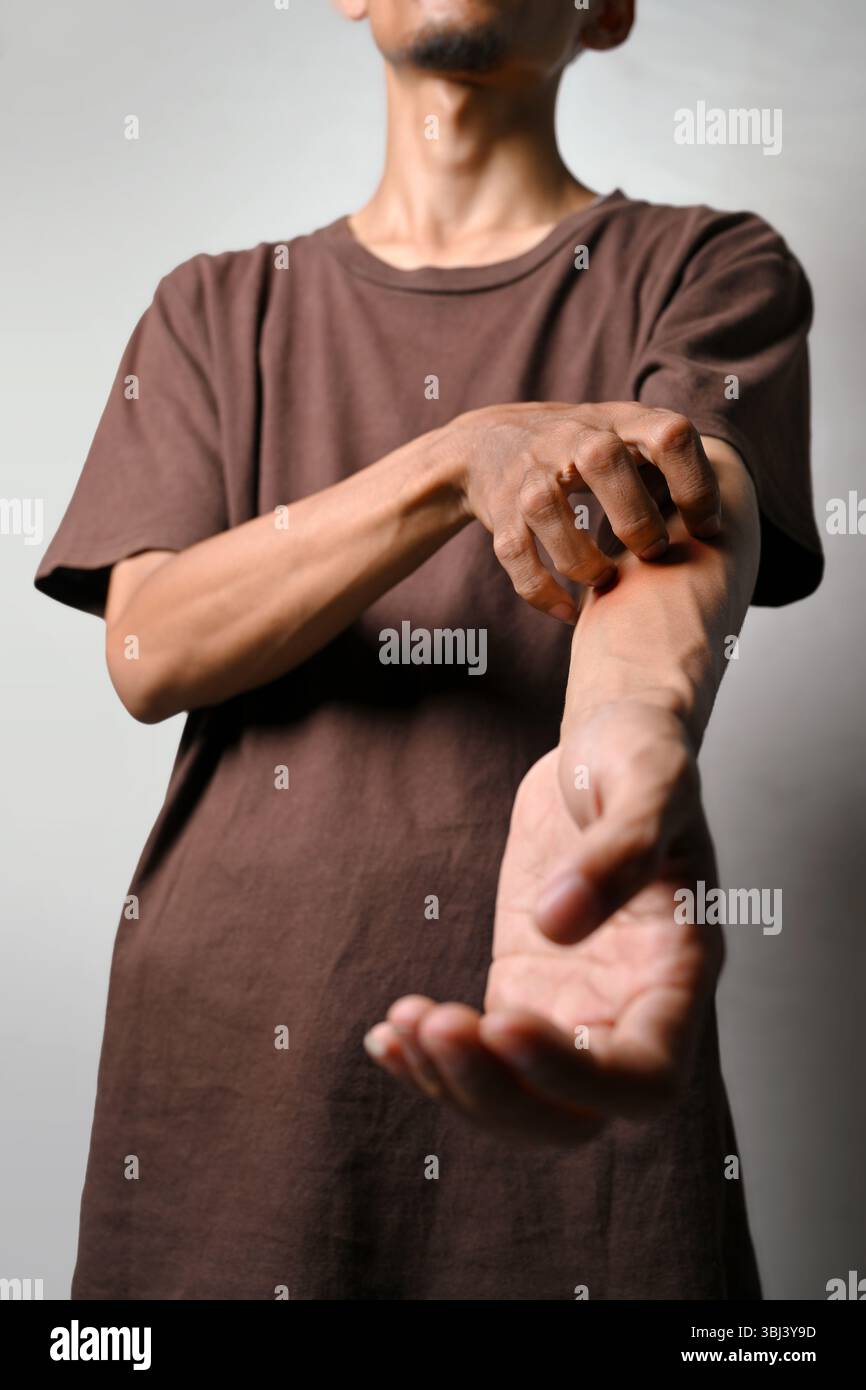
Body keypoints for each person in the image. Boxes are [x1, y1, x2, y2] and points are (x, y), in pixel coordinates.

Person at [35, 0, 823, 1299]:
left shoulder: (708, 266)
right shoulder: (213, 306)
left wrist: (617, 768)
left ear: (608, 11)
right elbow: (145, 642)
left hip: (566, 1007)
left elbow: (688, 527)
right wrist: (456, 459)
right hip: (230, 1061)